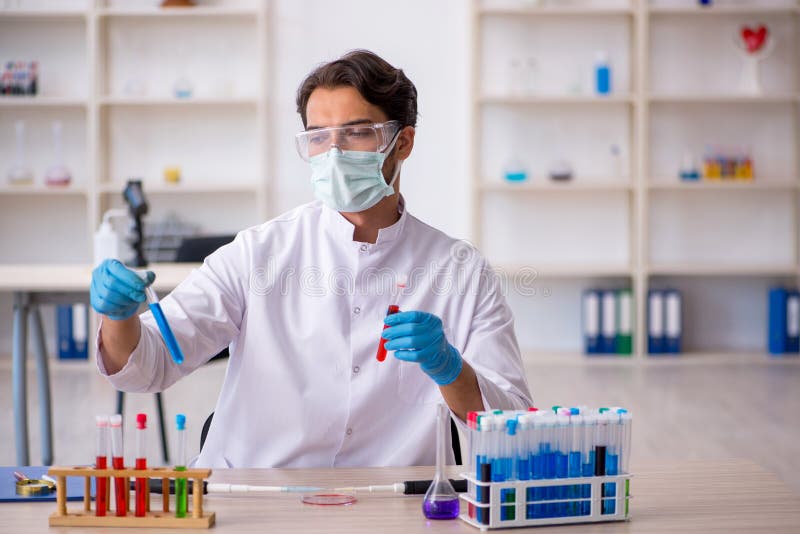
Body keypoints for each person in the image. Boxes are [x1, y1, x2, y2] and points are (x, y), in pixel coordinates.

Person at [91, 50, 532, 468]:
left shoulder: (460, 271)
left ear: (403, 143)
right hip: (251, 496)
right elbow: (149, 366)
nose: (335, 153)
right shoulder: (258, 253)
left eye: (358, 132)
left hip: (390, 506)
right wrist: (119, 318)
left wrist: (451, 369)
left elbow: (513, 427)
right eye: (319, 137)